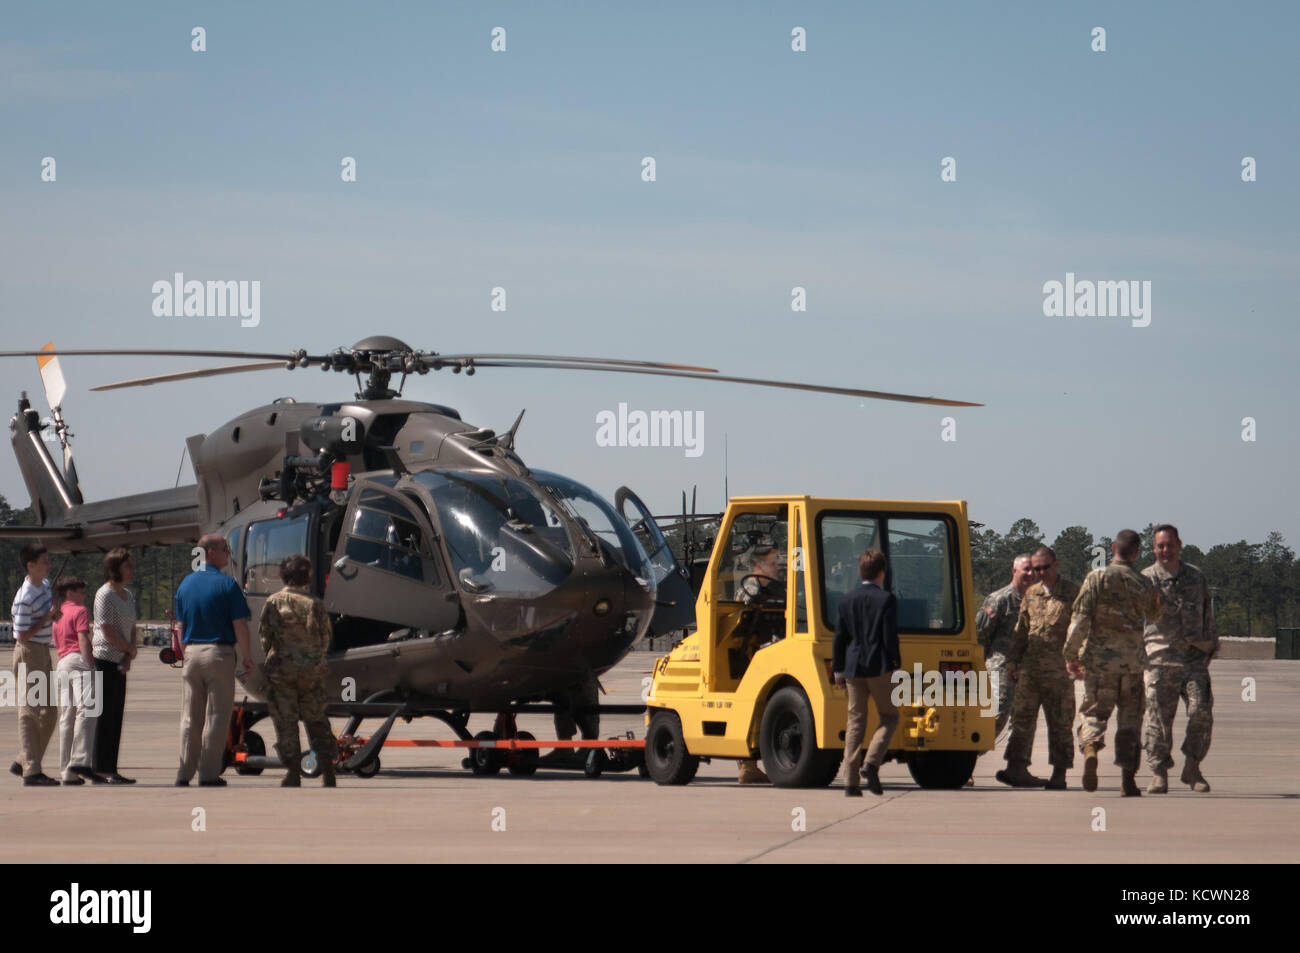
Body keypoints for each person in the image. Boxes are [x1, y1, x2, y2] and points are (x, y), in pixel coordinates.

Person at [1063, 529, 1158, 797]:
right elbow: (1154, 615)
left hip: (1099, 663)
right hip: (1132, 664)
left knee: (1094, 714)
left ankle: (1091, 749)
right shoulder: (1143, 582)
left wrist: (1071, 655)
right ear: (1136, 553)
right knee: (1130, 721)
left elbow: (1080, 620)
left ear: (1114, 548)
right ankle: (1128, 781)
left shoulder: (1096, 577)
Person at [174, 533, 255, 787]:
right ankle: (208, 773)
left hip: (191, 653)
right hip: (218, 653)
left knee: (190, 717)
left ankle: (183, 773)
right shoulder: (227, 585)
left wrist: (186, 654)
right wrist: (247, 657)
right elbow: (239, 624)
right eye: (225, 549)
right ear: (211, 552)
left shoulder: (185, 585)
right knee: (217, 716)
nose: (228, 554)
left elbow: (180, 626)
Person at [1141, 525, 1217, 793]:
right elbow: (1131, 620)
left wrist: (1210, 648)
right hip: (1159, 659)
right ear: (1154, 548)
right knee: (1158, 719)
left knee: (1201, 712)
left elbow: (1207, 614)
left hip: (1193, 658)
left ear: (1179, 545)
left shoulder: (1195, 577)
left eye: (1170, 545)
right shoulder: (1146, 579)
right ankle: (1158, 773)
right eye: (1160, 546)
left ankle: (1192, 767)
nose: (1165, 550)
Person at [1000, 547, 1078, 790]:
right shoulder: (1032, 593)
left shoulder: (1073, 593)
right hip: (1031, 670)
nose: (1040, 573)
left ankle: (1059, 773)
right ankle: (1016, 768)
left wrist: (1080, 661)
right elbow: (1021, 631)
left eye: (1044, 567)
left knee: (1060, 723)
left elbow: (1083, 629)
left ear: (1055, 564)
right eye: (1036, 569)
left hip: (1059, 672)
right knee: (1021, 720)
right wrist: (1012, 661)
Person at [259, 555, 339, 788]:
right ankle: (328, 771)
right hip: (311, 671)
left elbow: (265, 638)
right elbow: (325, 638)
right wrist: (313, 657)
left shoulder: (273, 602)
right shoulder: (315, 604)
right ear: (307, 577)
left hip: (282, 671)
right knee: (316, 718)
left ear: (284, 576)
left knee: (286, 720)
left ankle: (293, 771)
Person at [832, 548, 901, 797]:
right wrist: (896, 663)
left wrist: (838, 669)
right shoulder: (886, 600)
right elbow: (889, 637)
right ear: (882, 572)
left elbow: (840, 638)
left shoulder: (846, 600)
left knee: (855, 722)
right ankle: (871, 763)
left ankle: (850, 782)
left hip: (852, 667)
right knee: (889, 716)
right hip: (878, 666)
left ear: (860, 572)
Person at [10, 543, 59, 785]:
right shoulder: (24, 597)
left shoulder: (46, 586)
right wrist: (45, 619)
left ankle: (24, 759)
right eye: (44, 562)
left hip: (42, 650)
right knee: (30, 710)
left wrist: (53, 616)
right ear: (30, 566)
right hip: (29, 651)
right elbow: (21, 635)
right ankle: (31, 770)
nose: (49, 565)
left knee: (50, 712)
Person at [737, 543, 785, 785]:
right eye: (773, 563)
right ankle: (747, 765)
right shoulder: (749, 591)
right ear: (758, 565)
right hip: (752, 658)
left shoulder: (778, 589)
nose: (778, 567)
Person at [51, 577, 105, 785]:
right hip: (79, 660)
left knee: (67, 716)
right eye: (81, 592)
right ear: (70, 593)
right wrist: (90, 664)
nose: (84, 595)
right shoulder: (80, 611)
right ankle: (80, 761)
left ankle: (66, 769)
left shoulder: (57, 614)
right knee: (87, 711)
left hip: (63, 661)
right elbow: (83, 638)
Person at [92, 548, 138, 784]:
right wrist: (127, 649)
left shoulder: (127, 595)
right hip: (105, 660)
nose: (131, 569)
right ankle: (100, 770)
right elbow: (106, 630)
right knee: (104, 716)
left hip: (121, 660)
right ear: (114, 568)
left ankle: (111, 767)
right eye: (127, 565)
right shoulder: (105, 594)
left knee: (116, 716)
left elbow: (132, 627)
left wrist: (130, 652)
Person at [976, 554, 1033, 742]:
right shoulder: (1000, 599)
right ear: (1014, 571)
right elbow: (981, 635)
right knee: (996, 714)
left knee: (1023, 722)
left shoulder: (1036, 600)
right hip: (1000, 667)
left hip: (1027, 669)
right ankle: (970, 754)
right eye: (1026, 569)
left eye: (1033, 570)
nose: (1030, 573)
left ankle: (1016, 760)